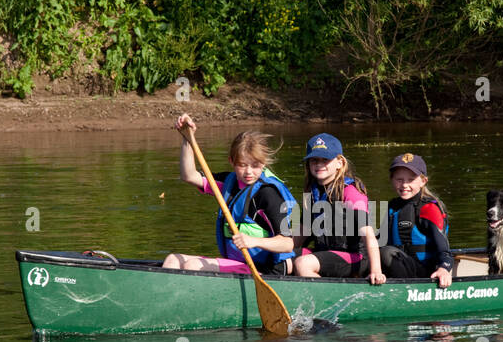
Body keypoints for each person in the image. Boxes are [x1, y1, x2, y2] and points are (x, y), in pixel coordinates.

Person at [162, 114, 297, 275]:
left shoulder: (268, 194)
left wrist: (253, 241)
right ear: (232, 161)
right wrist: (187, 138)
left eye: (255, 166)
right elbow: (189, 175)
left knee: (193, 266)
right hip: (239, 262)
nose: (248, 172)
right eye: (242, 165)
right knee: (172, 260)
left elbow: (287, 243)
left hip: (266, 268)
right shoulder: (228, 182)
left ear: (263, 163)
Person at [291, 133, 385, 282]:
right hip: (325, 254)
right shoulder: (312, 194)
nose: (319, 164)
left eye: (325, 160)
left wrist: (376, 271)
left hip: (355, 257)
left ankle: (327, 301)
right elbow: (299, 236)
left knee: (303, 264)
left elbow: (368, 234)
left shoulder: (350, 192)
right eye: (314, 160)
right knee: (282, 259)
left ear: (339, 163)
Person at [379, 153, 453, 287]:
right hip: (397, 266)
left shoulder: (429, 209)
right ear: (392, 179)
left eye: (411, 179)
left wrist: (443, 269)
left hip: (423, 273)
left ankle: (400, 290)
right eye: (399, 179)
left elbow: (444, 250)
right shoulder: (392, 207)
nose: (404, 185)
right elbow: (380, 241)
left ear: (423, 181)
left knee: (387, 253)